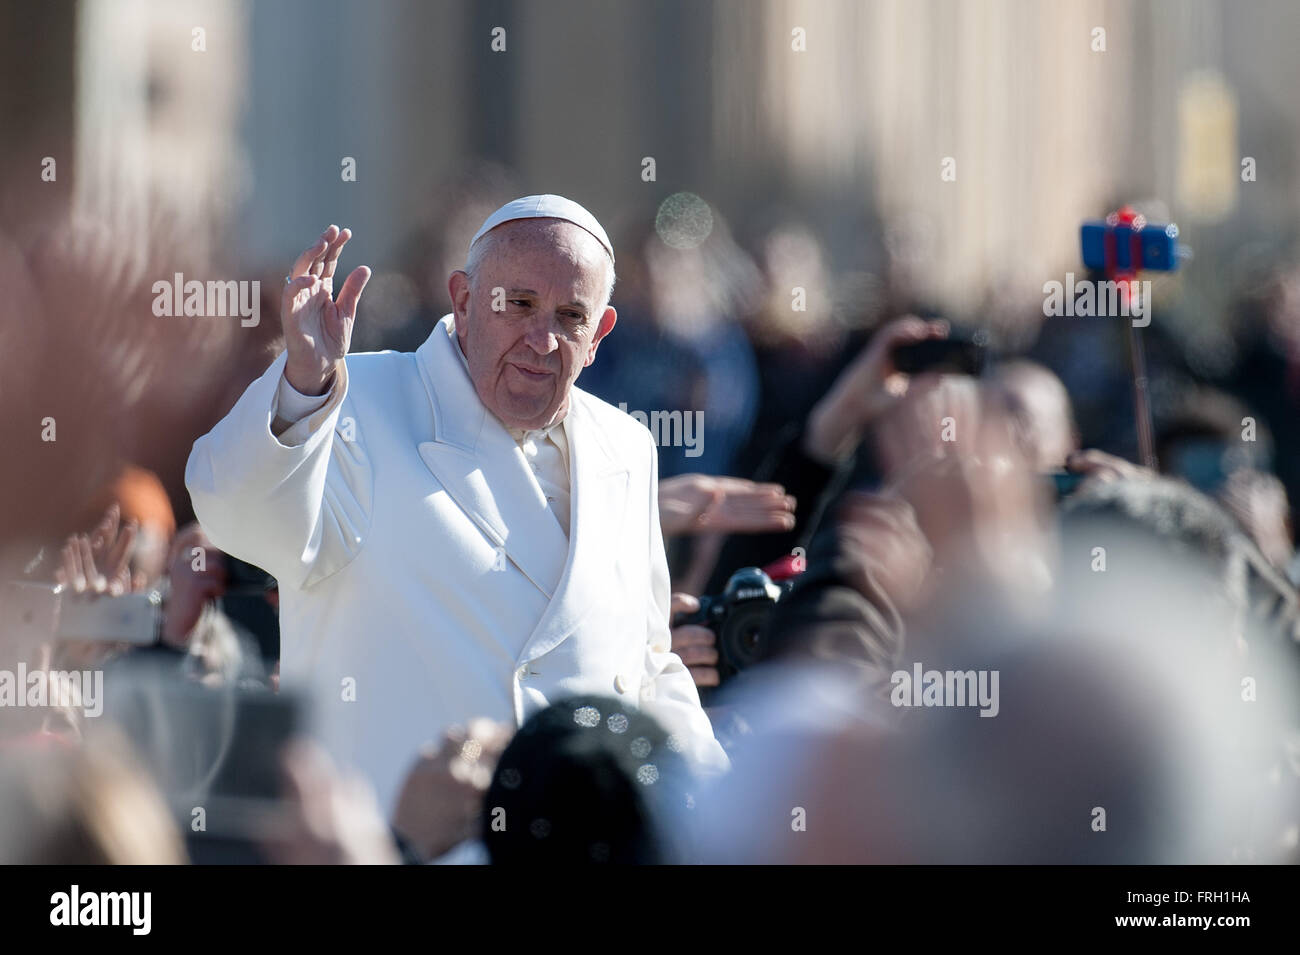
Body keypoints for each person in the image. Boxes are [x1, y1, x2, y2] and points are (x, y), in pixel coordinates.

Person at [185, 196, 728, 812]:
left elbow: (650, 664)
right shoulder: (355, 401)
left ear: (600, 333)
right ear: (465, 302)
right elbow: (233, 511)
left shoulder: (626, 445)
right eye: (518, 304)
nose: (542, 339)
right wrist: (302, 383)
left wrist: (719, 812)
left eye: (571, 315)